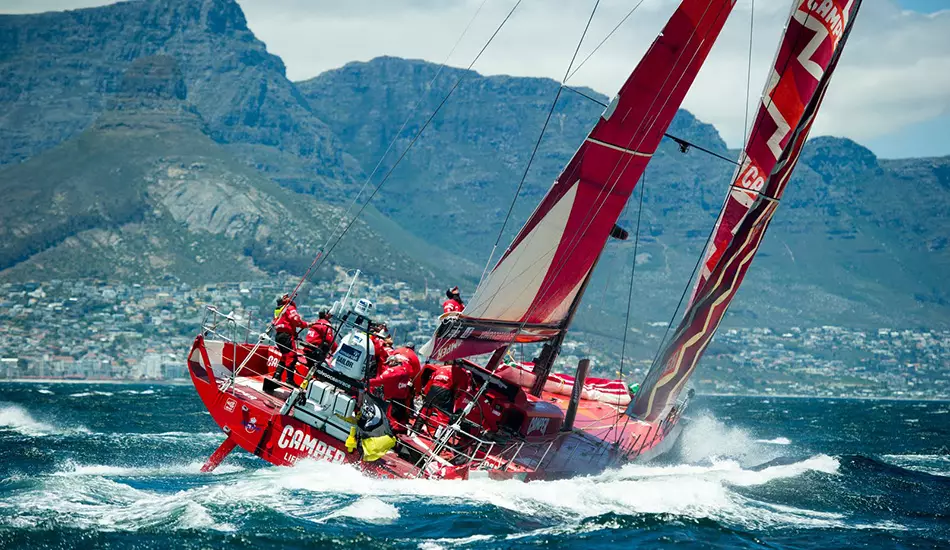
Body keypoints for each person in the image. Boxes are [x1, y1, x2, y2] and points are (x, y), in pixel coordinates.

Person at [273, 296, 309, 385]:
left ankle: (276, 376)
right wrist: (307, 324)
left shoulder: (279, 310)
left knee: (284, 356)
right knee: (291, 356)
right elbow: (296, 320)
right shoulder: (289, 307)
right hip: (286, 336)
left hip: (278, 336)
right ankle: (289, 380)